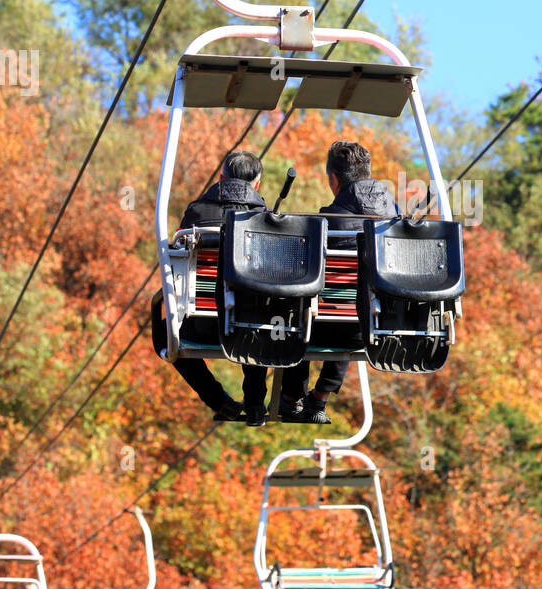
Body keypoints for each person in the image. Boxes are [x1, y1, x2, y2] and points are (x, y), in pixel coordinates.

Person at [279, 140, 400, 424]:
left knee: (296, 305)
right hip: (379, 325)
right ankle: (320, 398)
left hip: (323, 327)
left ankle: (292, 397)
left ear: (334, 179)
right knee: (356, 306)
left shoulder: (325, 225)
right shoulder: (397, 222)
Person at [150, 150, 271, 426]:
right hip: (248, 327)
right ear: (257, 184)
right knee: (260, 311)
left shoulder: (195, 213)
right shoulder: (266, 220)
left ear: (221, 178)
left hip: (201, 323)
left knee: (169, 337)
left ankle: (218, 401)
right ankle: (254, 403)